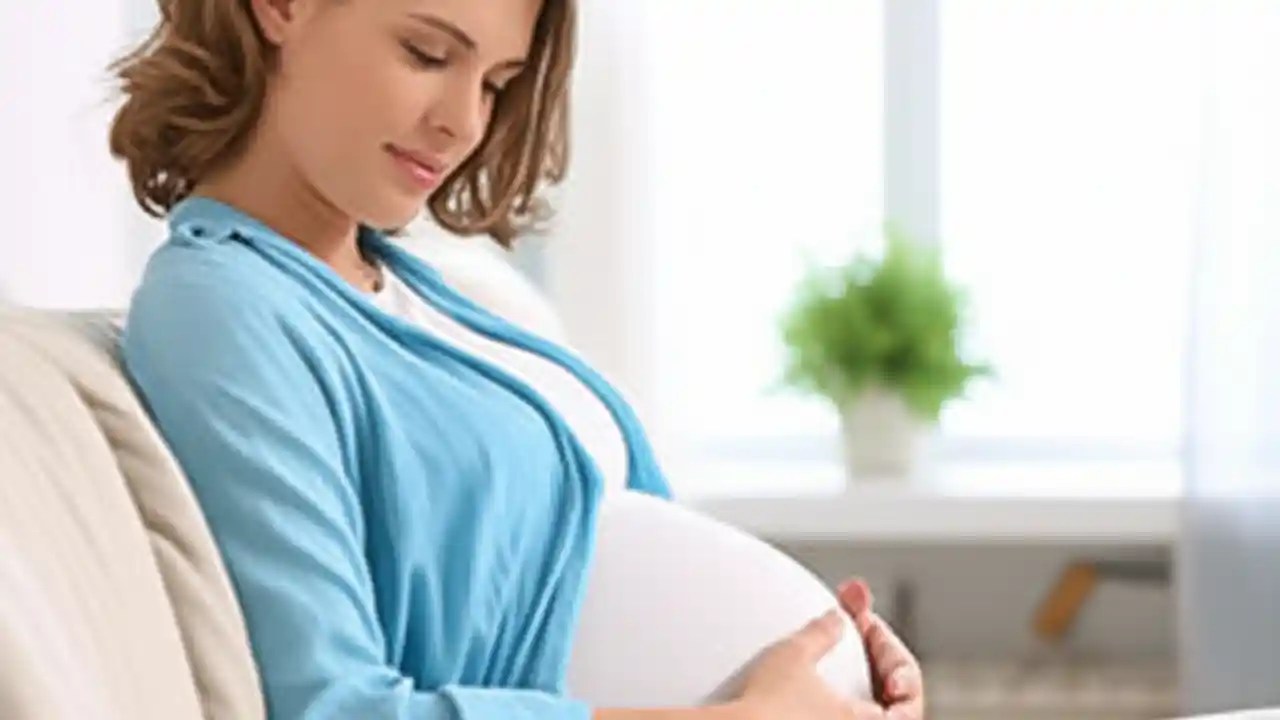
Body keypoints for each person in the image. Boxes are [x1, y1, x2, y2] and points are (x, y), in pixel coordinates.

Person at [109, 1, 925, 719]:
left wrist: (836, 684)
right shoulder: (223, 307)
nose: (465, 121)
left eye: (496, 82)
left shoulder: (427, 287)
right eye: (428, 55)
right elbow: (334, 707)